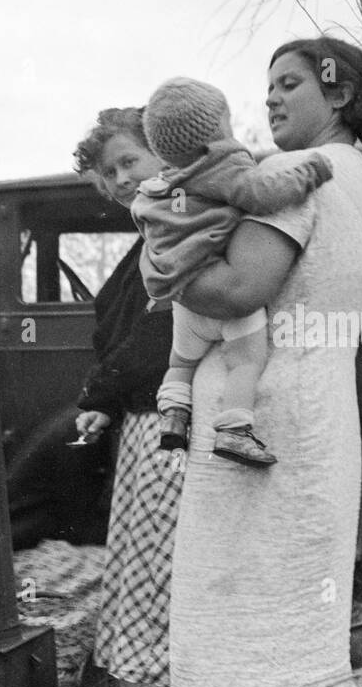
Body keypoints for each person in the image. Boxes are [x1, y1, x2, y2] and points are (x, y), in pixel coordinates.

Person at [166, 36, 362, 687]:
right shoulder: (360, 178)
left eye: (289, 83)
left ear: (341, 93)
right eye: (267, 86)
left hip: (266, 411)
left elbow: (233, 292)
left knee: (256, 593)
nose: (270, 98)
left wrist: (161, 265)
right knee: (287, 600)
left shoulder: (294, 179)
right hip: (316, 405)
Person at [132, 76, 334, 467]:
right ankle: (234, 431)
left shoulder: (154, 188)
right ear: (216, 129)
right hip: (224, 300)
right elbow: (261, 195)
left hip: (184, 305)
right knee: (246, 363)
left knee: (180, 364)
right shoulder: (221, 164)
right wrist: (311, 172)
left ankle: (173, 417)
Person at [72, 109, 183, 687]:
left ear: (163, 152)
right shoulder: (144, 241)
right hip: (143, 425)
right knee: (144, 562)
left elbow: (155, 339)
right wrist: (107, 407)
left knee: (167, 562)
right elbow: (119, 338)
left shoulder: (184, 227)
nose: (118, 179)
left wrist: (103, 394)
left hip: (177, 424)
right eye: (108, 173)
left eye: (128, 161)